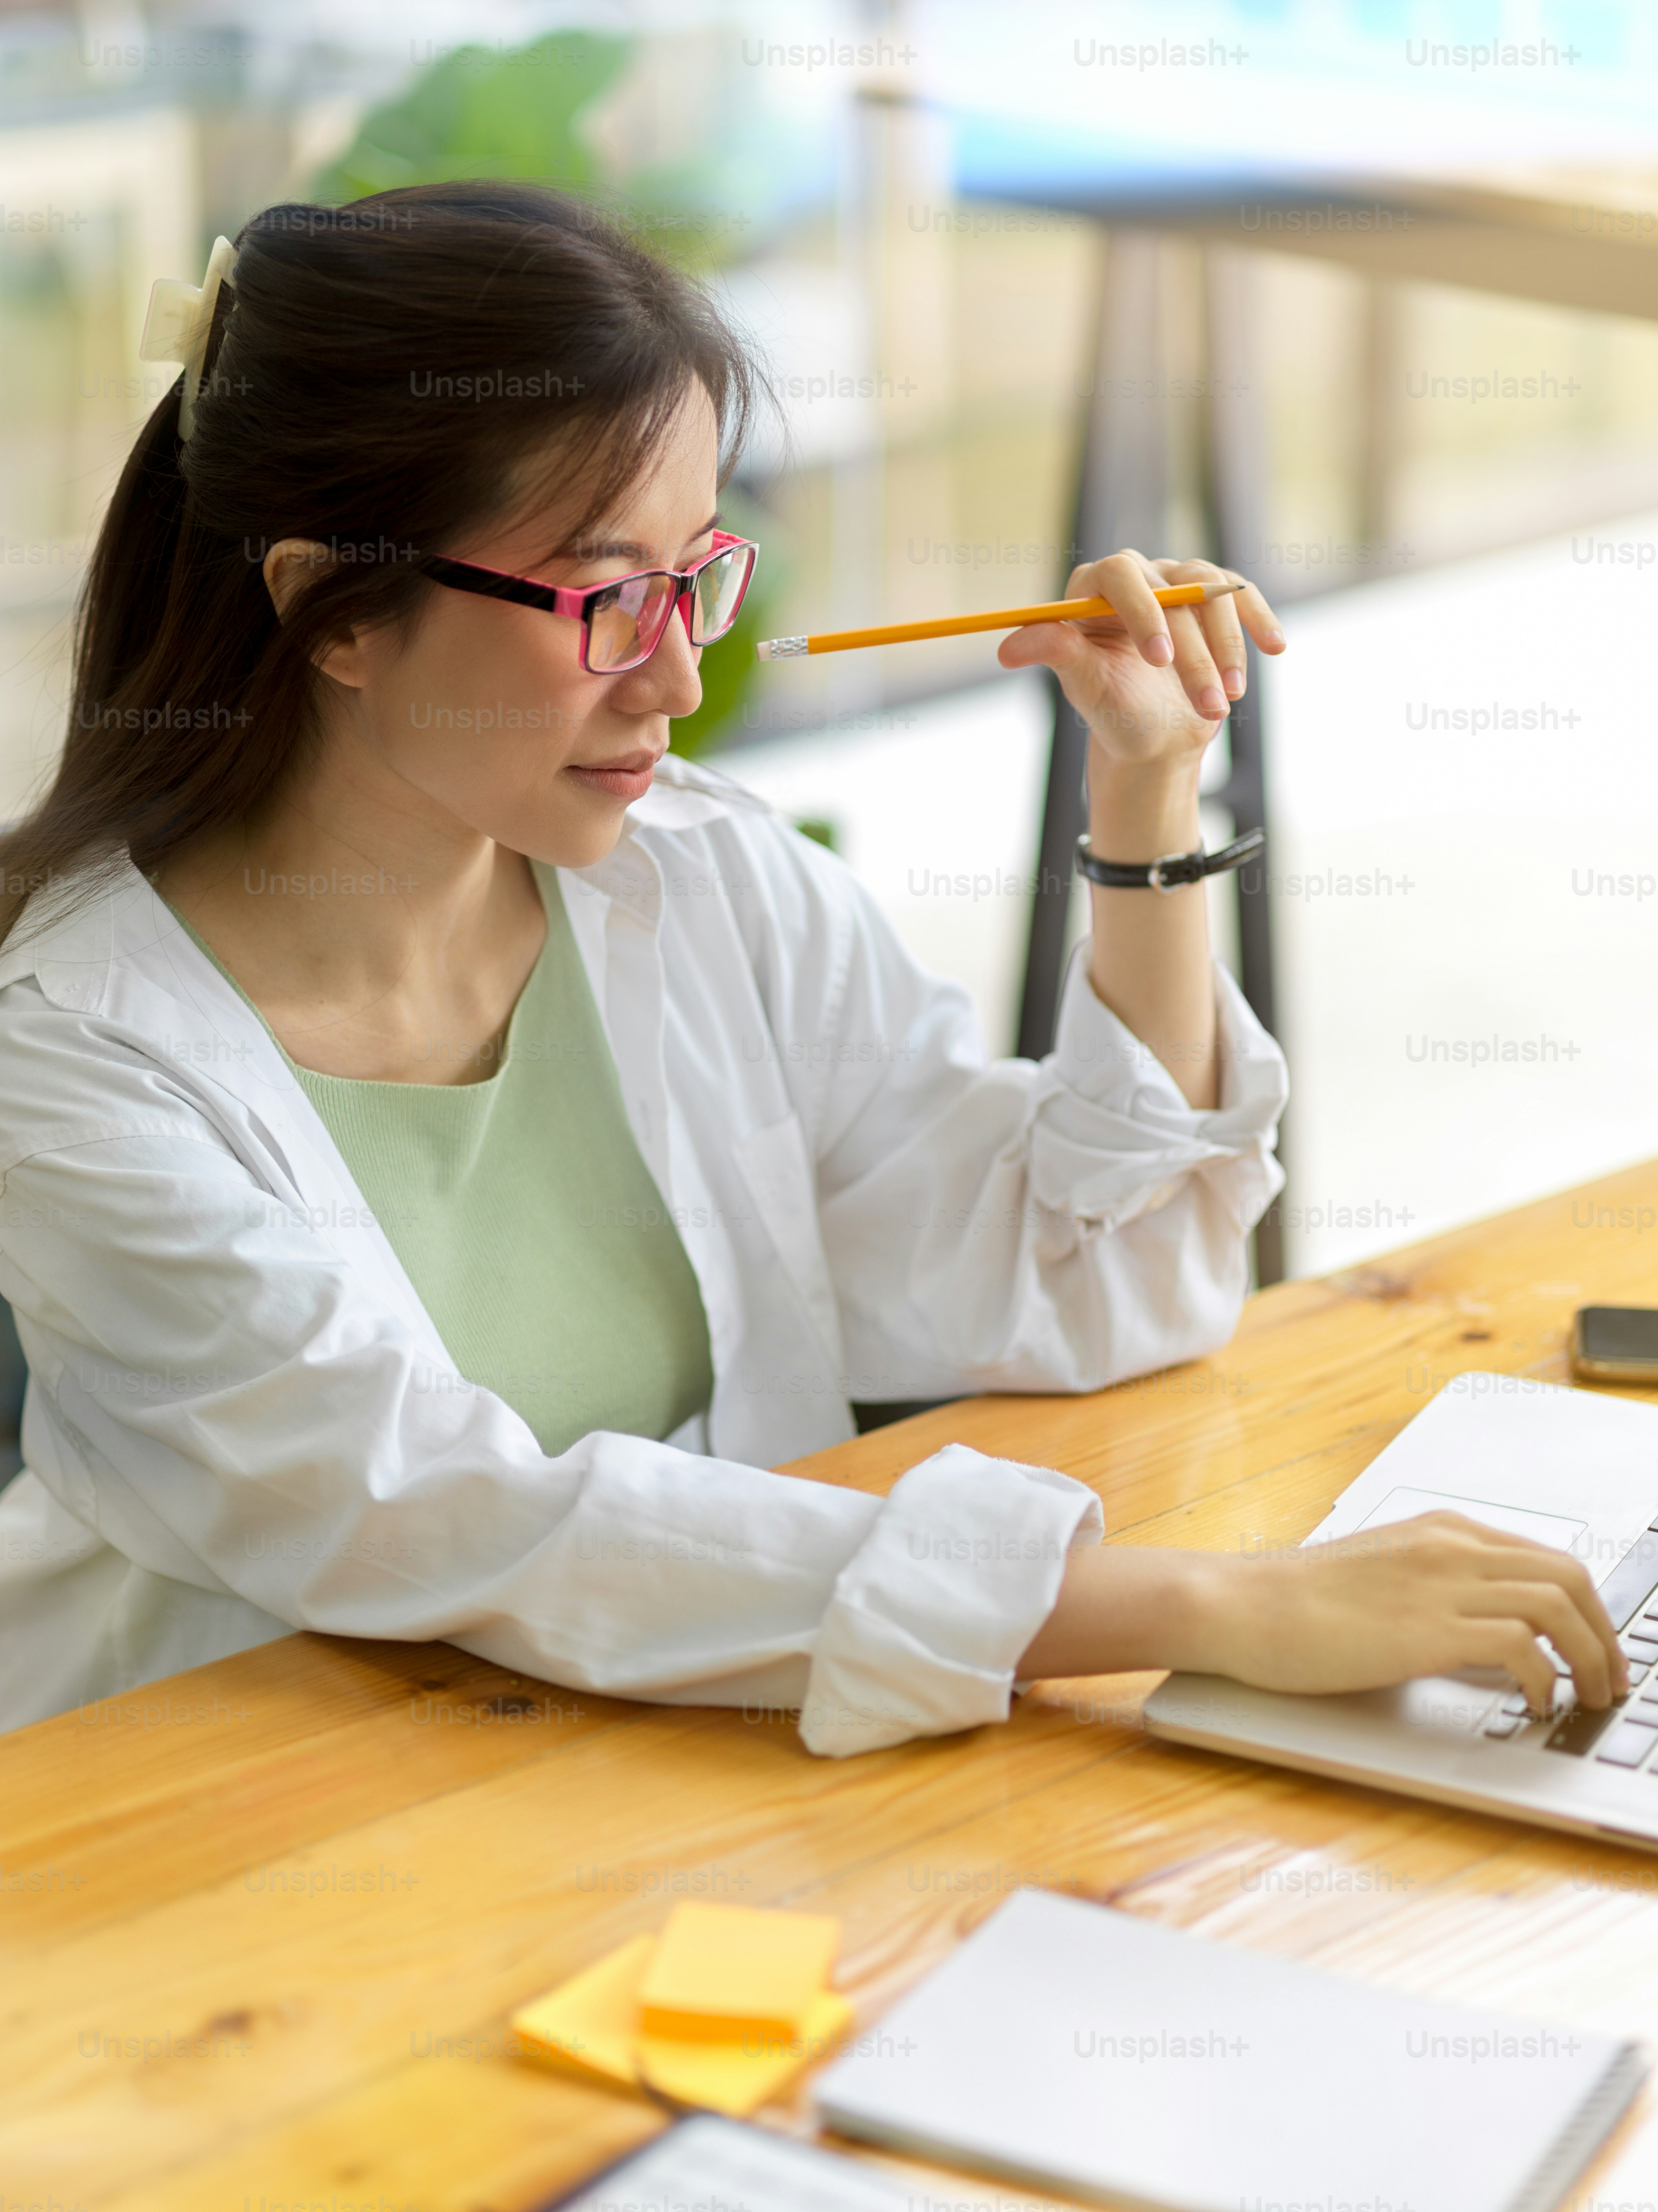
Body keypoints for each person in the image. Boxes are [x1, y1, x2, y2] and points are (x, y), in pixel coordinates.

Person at [0, 184, 1622, 1748]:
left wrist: (1145, 795)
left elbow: (1095, 1286)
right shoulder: (72, 1051)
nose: (679, 676)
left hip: (637, 1779)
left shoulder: (697, 883)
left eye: (699, 574)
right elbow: (429, 1511)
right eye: (608, 598)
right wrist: (1209, 1607)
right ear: (328, 608)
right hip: (222, 1849)